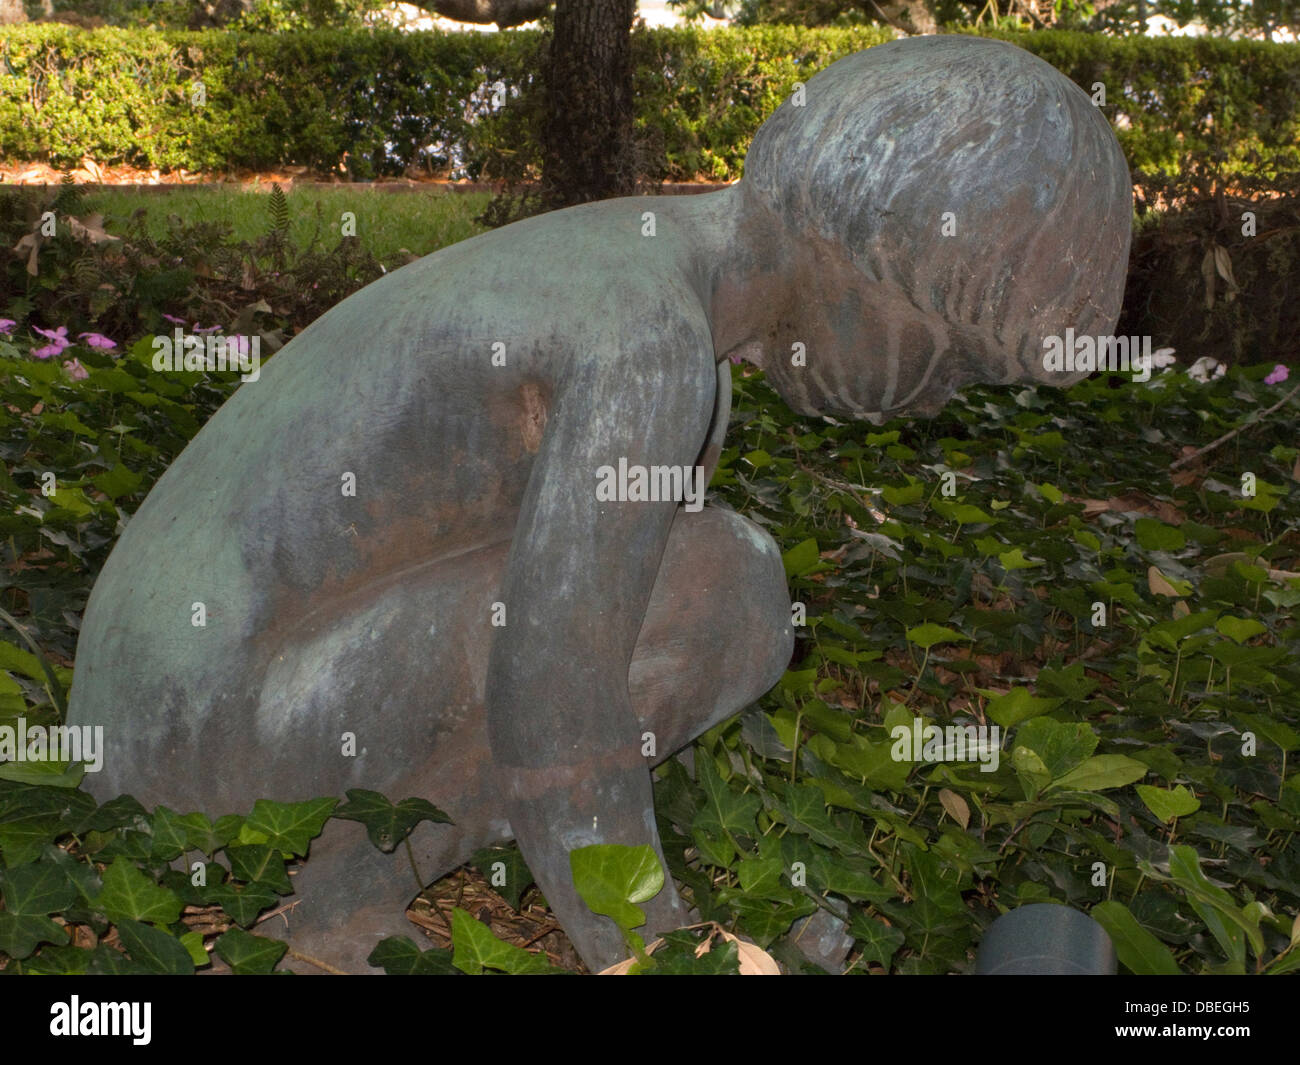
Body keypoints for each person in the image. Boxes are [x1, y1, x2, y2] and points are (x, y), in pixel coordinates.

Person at [67, 34, 1131, 972]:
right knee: (728, 585)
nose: (936, 395)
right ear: (880, 246)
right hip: (198, 755)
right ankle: (346, 897)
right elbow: (559, 694)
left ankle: (339, 903)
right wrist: (654, 947)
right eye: (948, 357)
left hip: (208, 722)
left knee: (711, 580)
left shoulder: (645, 267)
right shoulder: (649, 338)